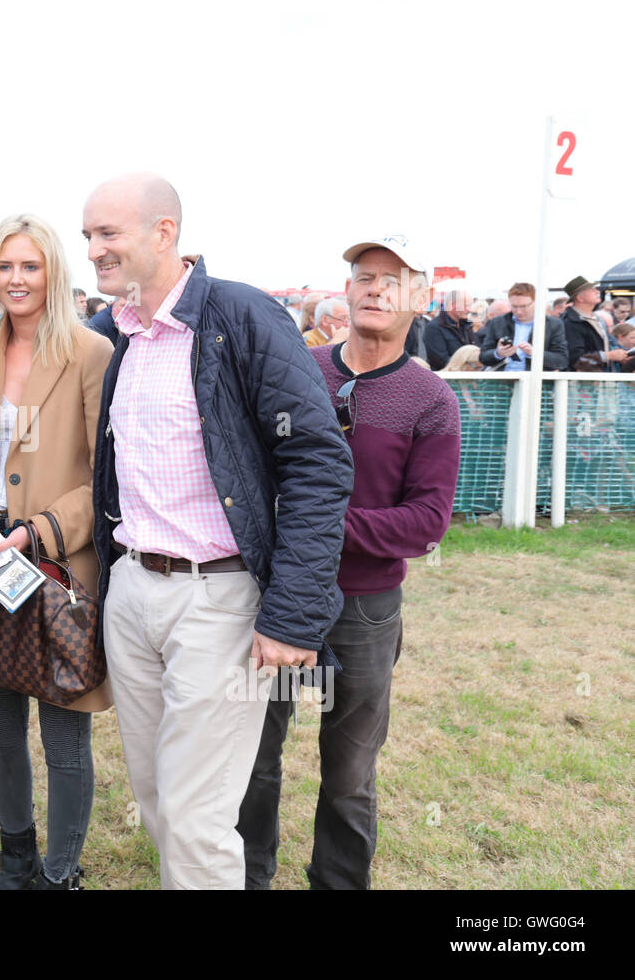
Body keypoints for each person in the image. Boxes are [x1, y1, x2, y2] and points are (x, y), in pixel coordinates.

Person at [85, 173, 352, 889]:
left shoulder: (244, 316)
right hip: (133, 595)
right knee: (159, 804)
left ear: (163, 233)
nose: (94, 250)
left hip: (218, 602)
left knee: (198, 820)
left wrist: (292, 612)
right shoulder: (125, 336)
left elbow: (317, 460)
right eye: (88, 236)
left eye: (107, 234)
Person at [239, 235, 461, 890]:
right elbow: (253, 469)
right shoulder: (300, 370)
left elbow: (426, 521)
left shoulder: (429, 401)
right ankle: (248, 874)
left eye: (391, 280)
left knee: (350, 768)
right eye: (364, 276)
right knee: (256, 754)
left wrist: (323, 526)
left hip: (363, 609)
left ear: (419, 299)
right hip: (282, 602)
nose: (373, 288)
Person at [0, 214, 113, 890]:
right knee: (0, 721)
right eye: (6, 265)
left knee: (64, 732)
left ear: (53, 273)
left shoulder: (91, 354)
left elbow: (107, 476)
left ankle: (60, 874)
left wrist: (42, 528)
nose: (17, 278)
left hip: (57, 564)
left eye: (31, 266)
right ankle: (16, 860)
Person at [478, 282, 566, 371]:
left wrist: (535, 354)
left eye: (524, 306)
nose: (519, 311)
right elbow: (483, 357)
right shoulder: (497, 322)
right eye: (514, 306)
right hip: (502, 379)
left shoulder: (553, 324)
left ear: (535, 302)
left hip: (535, 380)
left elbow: (562, 360)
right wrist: (498, 353)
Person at [561, 276, 627, 371]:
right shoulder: (569, 323)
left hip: (600, 378)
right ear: (580, 298)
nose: (597, 291)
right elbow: (575, 358)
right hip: (583, 382)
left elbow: (605, 347)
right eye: (591, 290)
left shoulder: (599, 319)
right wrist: (609, 356)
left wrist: (621, 356)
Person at [422, 288, 477, 370]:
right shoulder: (434, 327)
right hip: (446, 379)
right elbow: (440, 361)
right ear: (451, 305)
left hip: (466, 378)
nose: (469, 309)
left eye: (469, 305)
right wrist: (469, 366)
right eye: (465, 305)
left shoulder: (467, 325)